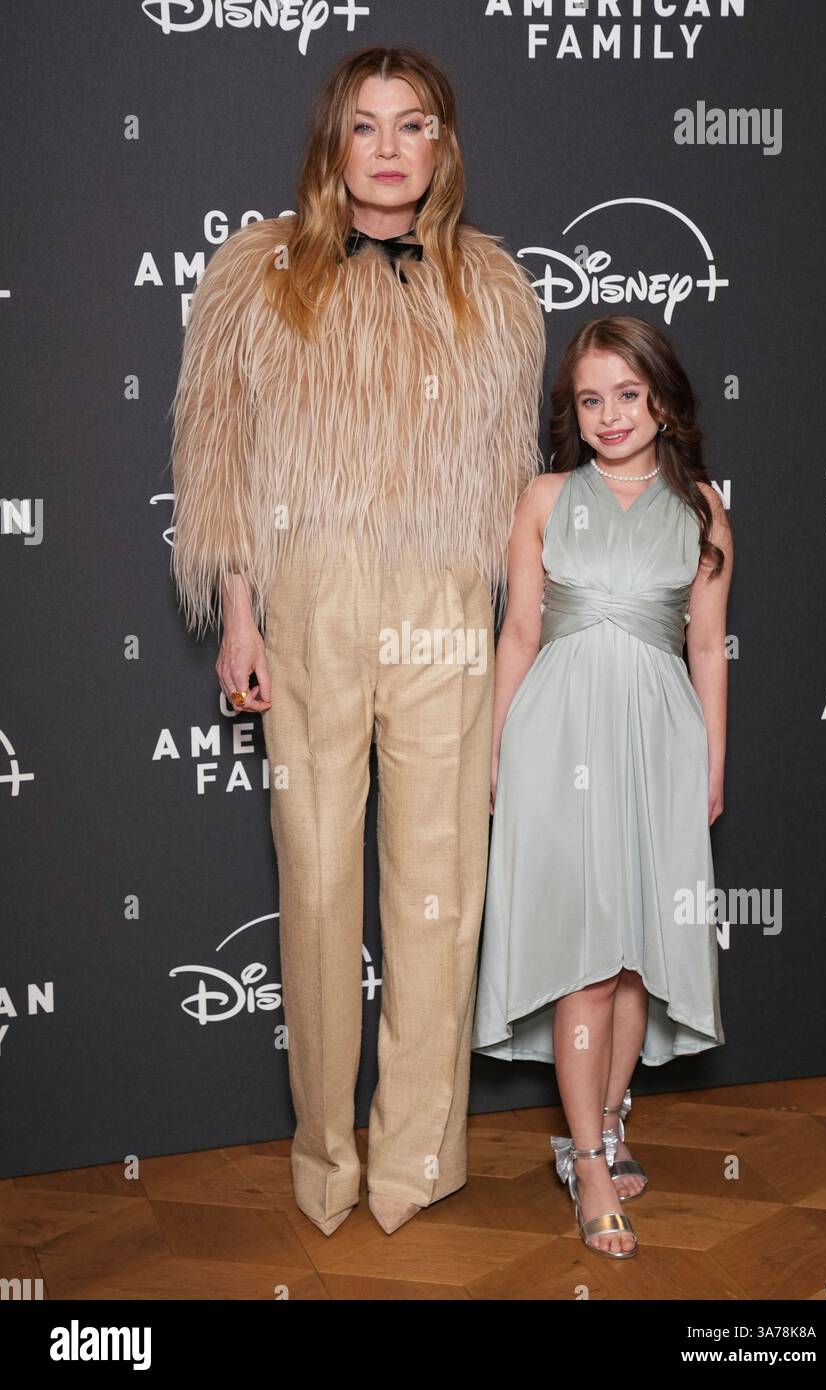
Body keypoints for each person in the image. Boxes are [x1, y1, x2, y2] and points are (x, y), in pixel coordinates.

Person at [168, 46, 546, 1238]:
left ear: (442, 147)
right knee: (319, 882)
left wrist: (512, 640)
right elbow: (217, 458)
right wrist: (240, 611)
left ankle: (418, 1158)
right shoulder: (255, 272)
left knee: (438, 896)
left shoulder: (496, 289)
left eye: (414, 124)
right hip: (312, 596)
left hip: (443, 601)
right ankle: (325, 1157)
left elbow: (514, 496)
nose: (388, 147)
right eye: (365, 125)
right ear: (333, 143)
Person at [472, 314, 732, 1258]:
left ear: (662, 398)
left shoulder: (702, 509)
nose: (612, 414)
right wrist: (500, 752)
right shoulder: (544, 497)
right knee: (585, 959)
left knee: (631, 963)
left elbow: (706, 647)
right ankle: (586, 1161)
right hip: (558, 739)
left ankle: (610, 1124)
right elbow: (517, 637)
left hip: (659, 742)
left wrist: (709, 764)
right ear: (572, 415)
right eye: (591, 399)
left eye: (629, 394)